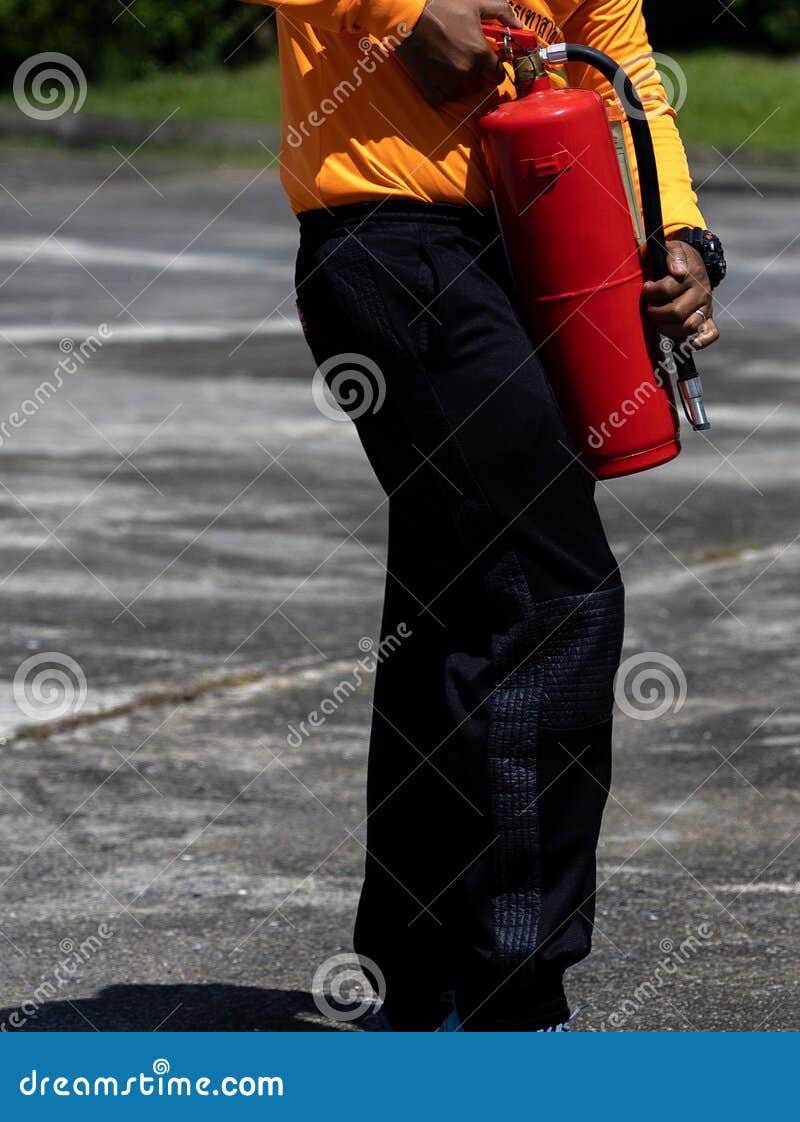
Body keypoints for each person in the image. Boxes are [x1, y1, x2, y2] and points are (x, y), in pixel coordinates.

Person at [244, 0, 727, 1030]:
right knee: (550, 599)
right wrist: (402, 12)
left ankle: (417, 983)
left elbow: (619, 66)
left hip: (533, 237)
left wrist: (677, 228)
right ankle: (514, 999)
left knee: (456, 601)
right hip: (389, 237)